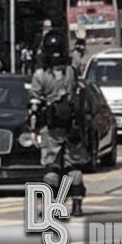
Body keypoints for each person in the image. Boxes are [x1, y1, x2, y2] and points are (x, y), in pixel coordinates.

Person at [29, 28, 88, 216]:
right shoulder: (71, 70)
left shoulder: (40, 75)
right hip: (72, 125)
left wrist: (33, 128)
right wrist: (80, 39)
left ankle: (51, 207)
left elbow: (34, 104)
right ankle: (77, 205)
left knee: (51, 167)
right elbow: (79, 54)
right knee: (74, 166)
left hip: (51, 127)